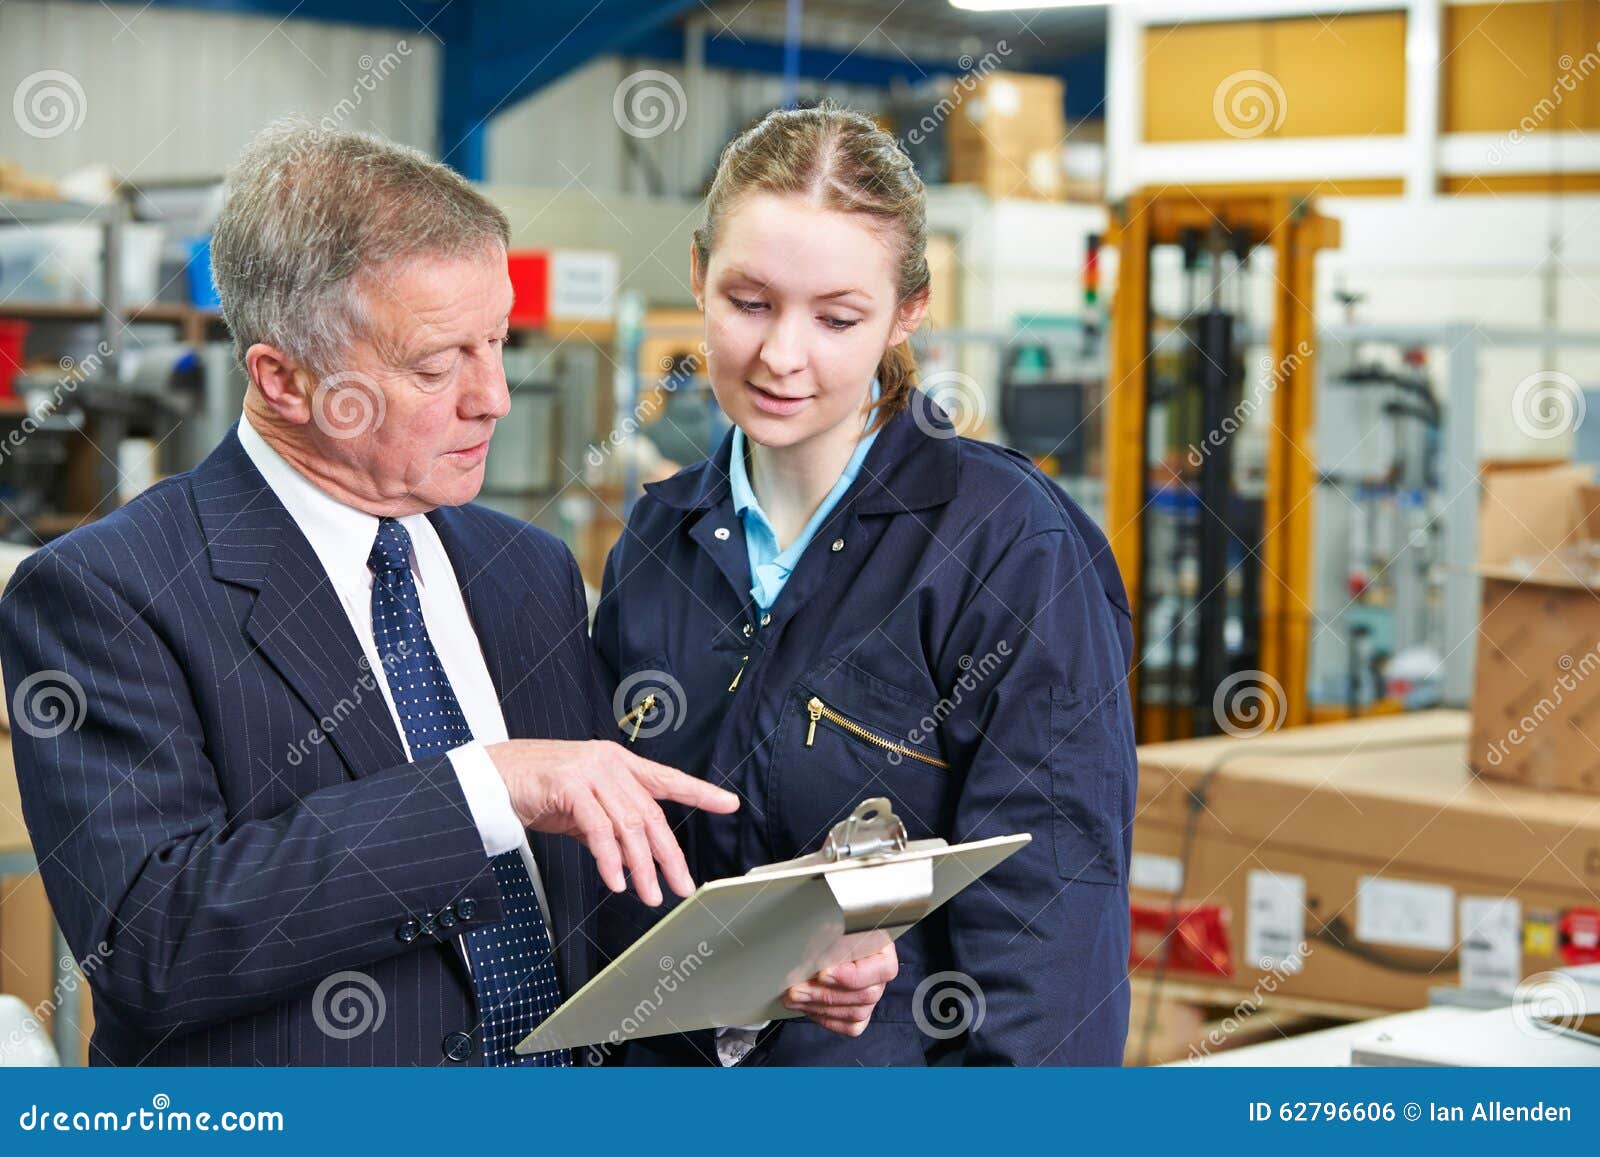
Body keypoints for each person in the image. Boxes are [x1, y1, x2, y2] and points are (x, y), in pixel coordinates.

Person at [0, 118, 891, 1066]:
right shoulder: (109, 592)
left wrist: (747, 977)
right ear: (284, 380)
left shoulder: (524, 570)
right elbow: (153, 943)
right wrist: (486, 786)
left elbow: (588, 903)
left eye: (498, 343)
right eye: (436, 365)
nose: (494, 396)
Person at [592, 104, 1138, 1066]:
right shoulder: (657, 539)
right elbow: (616, 880)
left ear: (907, 311)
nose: (781, 356)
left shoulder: (1009, 548)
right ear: (696, 276)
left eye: (838, 318)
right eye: (748, 302)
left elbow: (1055, 933)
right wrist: (753, 975)